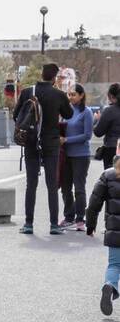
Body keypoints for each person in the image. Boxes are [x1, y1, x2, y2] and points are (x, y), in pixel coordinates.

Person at [14, 63, 74, 235]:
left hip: (31, 143)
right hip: (51, 143)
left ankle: (28, 224)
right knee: (51, 185)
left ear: (41, 74)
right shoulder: (59, 94)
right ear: (54, 78)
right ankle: (54, 225)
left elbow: (16, 115)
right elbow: (69, 115)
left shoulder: (27, 92)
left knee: (31, 184)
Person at [86, 154, 120, 316]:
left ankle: (110, 285)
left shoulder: (107, 175)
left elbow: (94, 203)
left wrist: (90, 225)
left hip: (115, 230)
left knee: (114, 264)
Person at [62, 85, 92, 231]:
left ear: (81, 95)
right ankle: (69, 217)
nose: (71, 97)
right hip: (66, 155)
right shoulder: (67, 111)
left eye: (73, 94)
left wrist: (67, 140)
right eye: (69, 94)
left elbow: (87, 136)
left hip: (81, 155)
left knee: (79, 188)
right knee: (65, 188)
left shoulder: (86, 112)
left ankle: (80, 219)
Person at [94, 83, 120, 170]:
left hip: (112, 149)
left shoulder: (109, 111)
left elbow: (98, 132)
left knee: (112, 178)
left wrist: (97, 120)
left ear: (111, 96)